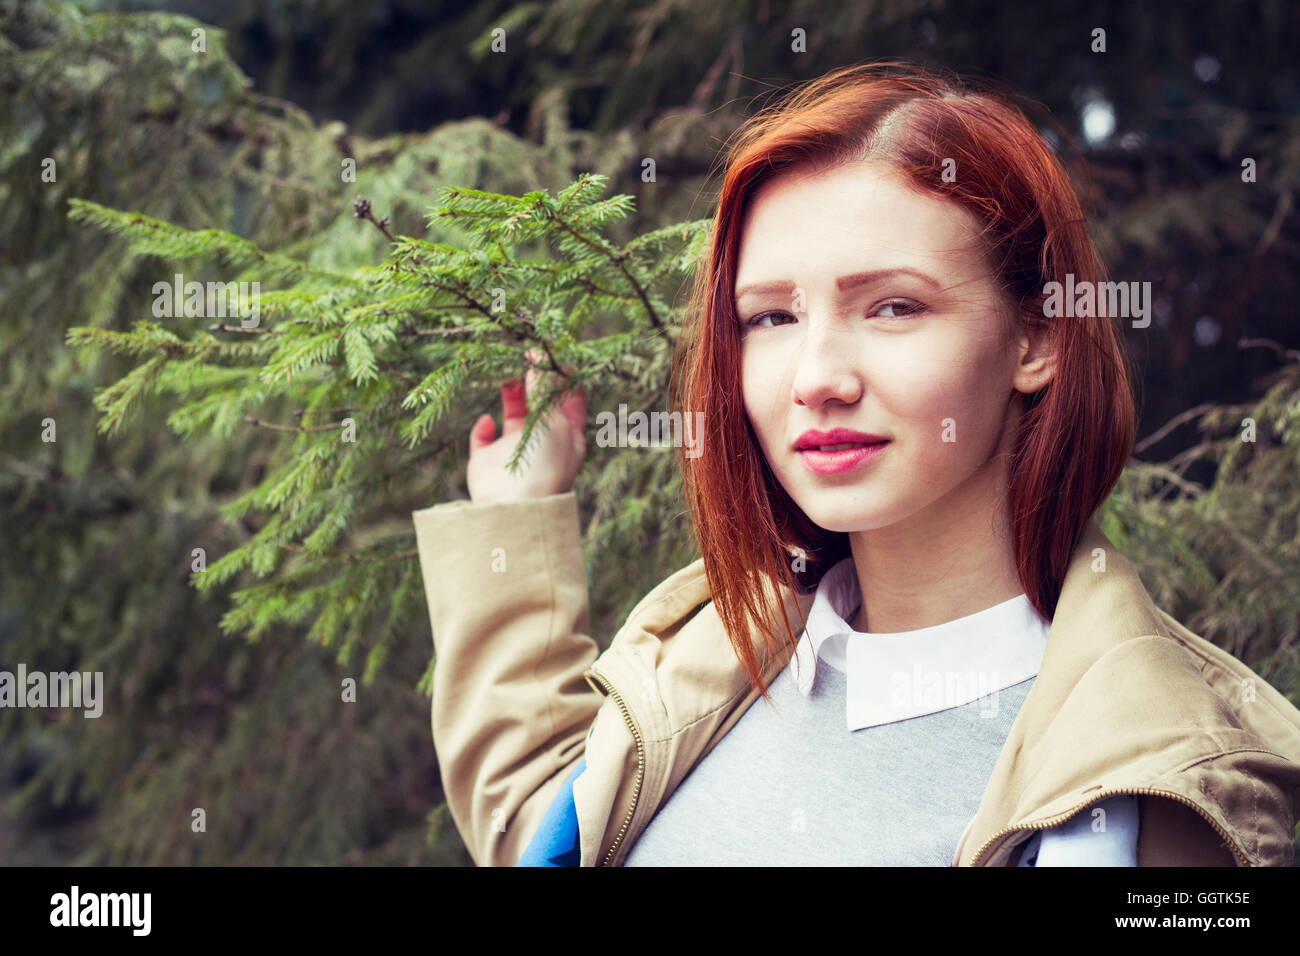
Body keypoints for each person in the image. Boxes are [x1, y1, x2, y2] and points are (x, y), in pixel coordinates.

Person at [411, 62, 1300, 867]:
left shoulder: (1162, 788)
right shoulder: (727, 649)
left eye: (894, 307)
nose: (818, 379)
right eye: (771, 318)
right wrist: (513, 521)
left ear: (1037, 338)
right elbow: (553, 825)